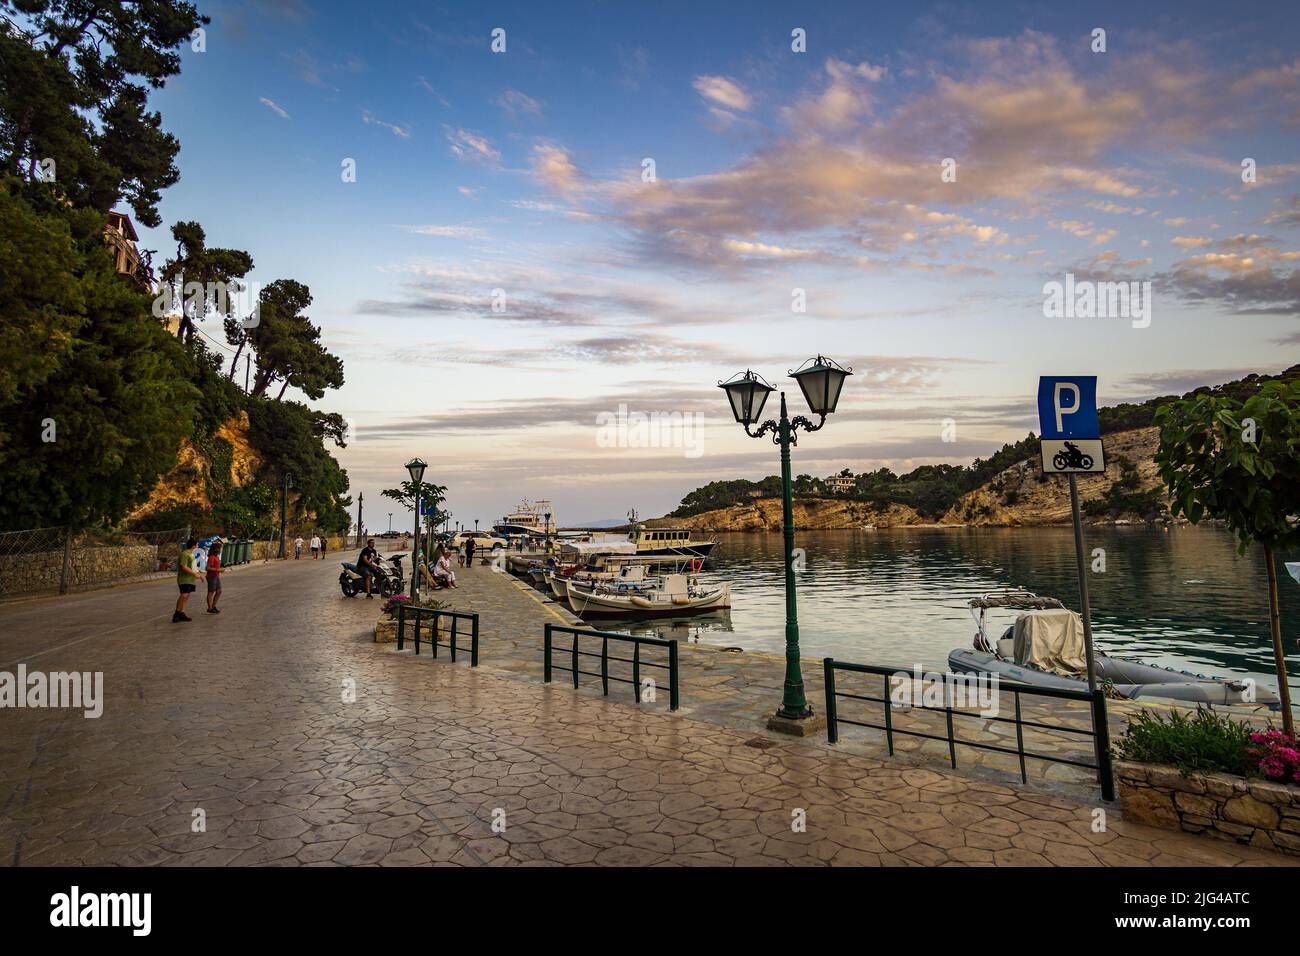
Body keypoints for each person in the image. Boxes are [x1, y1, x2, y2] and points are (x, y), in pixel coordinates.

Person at [174, 537, 200, 623]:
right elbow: (183, 566)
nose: (198, 545)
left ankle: (182, 612)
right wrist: (194, 574)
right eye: (197, 544)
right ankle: (177, 613)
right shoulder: (185, 554)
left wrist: (199, 575)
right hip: (184, 578)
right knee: (183, 595)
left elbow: (193, 566)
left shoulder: (191, 554)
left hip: (190, 579)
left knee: (187, 596)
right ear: (193, 545)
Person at [205, 541, 224, 614]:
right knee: (211, 592)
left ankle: (213, 606)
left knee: (219, 591)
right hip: (211, 576)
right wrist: (218, 569)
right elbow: (207, 568)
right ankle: (210, 608)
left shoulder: (216, 556)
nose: (221, 550)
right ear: (217, 549)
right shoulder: (212, 557)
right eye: (220, 548)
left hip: (216, 576)